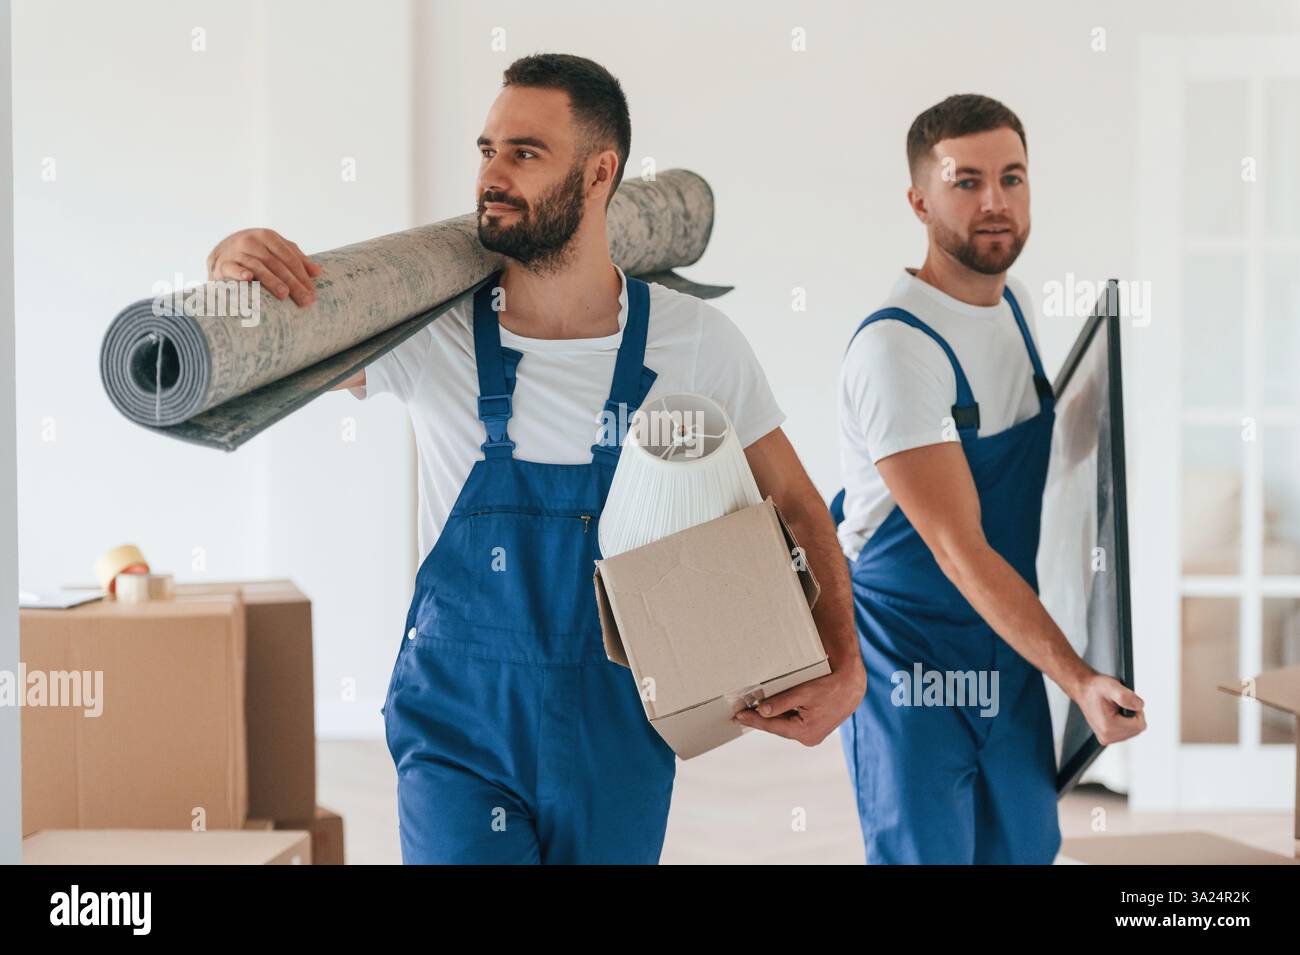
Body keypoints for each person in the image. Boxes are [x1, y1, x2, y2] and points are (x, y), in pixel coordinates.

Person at [207, 53, 865, 864]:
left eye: (524, 153)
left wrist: (845, 654)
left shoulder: (694, 342)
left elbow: (797, 502)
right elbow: (281, 350)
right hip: (457, 724)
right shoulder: (426, 334)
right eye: (486, 150)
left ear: (600, 172)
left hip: (621, 724)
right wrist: (232, 267)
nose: (492, 174)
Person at [832, 94, 1146, 864]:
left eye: (1012, 176)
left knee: (1025, 847)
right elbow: (958, 548)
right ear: (919, 200)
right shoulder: (897, 349)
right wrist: (1076, 676)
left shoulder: (1015, 309)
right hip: (910, 662)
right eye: (966, 181)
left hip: (1004, 649)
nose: (995, 202)